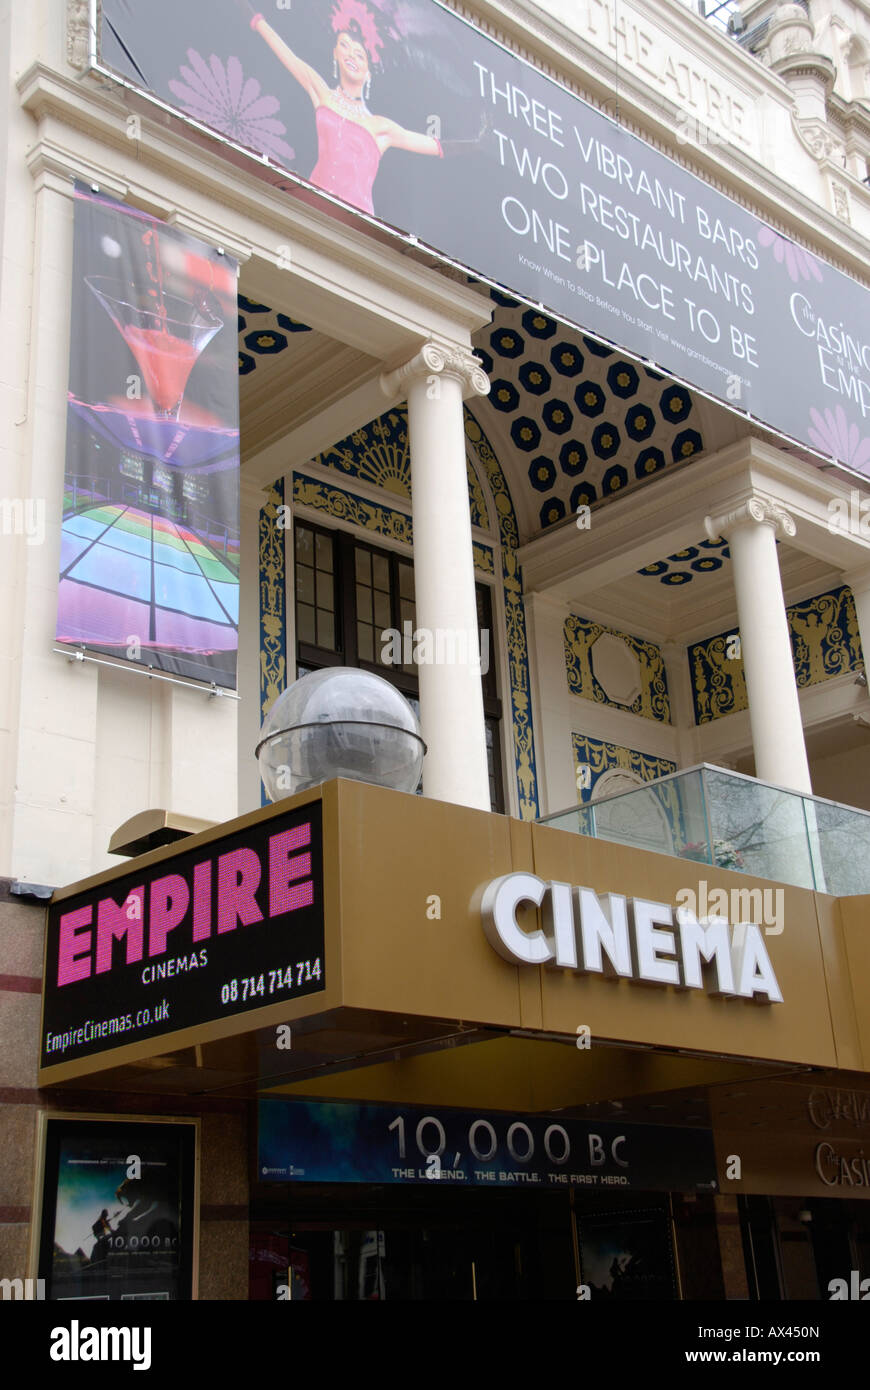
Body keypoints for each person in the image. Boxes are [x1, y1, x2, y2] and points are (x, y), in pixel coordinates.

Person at [245, 0, 444, 216]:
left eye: (360, 55)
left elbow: (434, 145)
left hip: (357, 221)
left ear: (368, 71)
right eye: (344, 45)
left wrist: (479, 144)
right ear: (335, 53)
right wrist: (252, 15)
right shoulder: (323, 94)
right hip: (313, 204)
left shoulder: (379, 126)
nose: (351, 56)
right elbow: (288, 55)